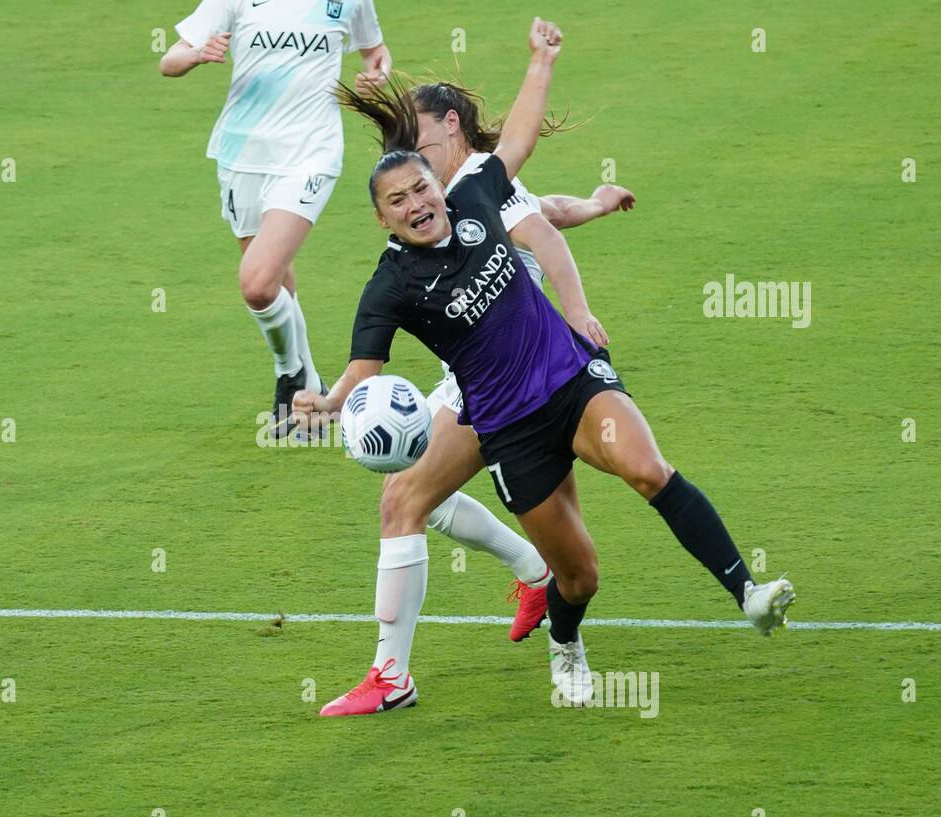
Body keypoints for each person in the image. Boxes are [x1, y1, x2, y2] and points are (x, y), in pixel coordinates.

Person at [296, 19, 795, 717]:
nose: (418, 202)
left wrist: (540, 61)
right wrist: (327, 401)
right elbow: (363, 369)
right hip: (504, 424)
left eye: (420, 188)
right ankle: (565, 645)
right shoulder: (390, 285)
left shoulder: (473, 194)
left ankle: (750, 591)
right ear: (383, 219)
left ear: (439, 181)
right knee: (579, 575)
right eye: (399, 199)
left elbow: (526, 161)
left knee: (648, 469)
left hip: (570, 381)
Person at [339, 77, 635, 646]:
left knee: (404, 499)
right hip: (481, 370)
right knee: (416, 494)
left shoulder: (474, 181)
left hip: (509, 375)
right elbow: (549, 207)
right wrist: (597, 203)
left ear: (451, 126)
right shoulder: (448, 193)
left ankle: (533, 581)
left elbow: (542, 230)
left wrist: (577, 310)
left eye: (415, 141)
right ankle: (537, 572)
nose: (404, 157)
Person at [161, 0, 391, 437]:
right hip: (240, 155)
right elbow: (168, 61)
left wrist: (376, 75)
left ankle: (290, 375)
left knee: (258, 282)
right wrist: (193, 56)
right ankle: (311, 391)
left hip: (311, 154)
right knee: (276, 278)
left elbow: (374, 52)